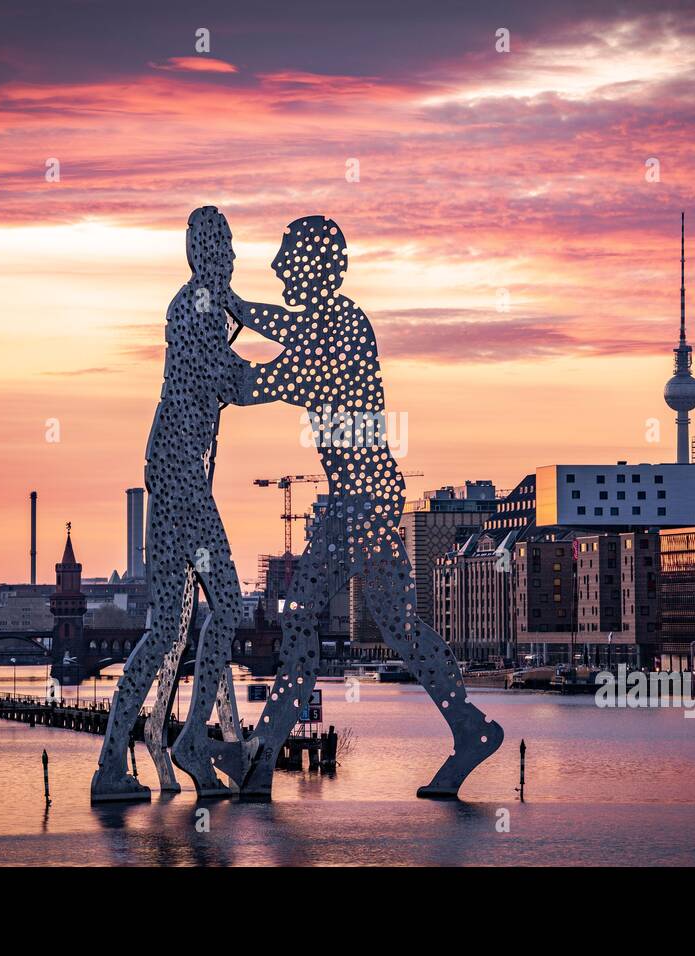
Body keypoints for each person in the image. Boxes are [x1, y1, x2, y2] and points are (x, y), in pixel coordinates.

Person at [224, 215, 503, 799]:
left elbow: (265, 380)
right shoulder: (331, 323)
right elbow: (282, 327)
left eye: (286, 257)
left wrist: (214, 358)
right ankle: (467, 728)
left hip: (361, 500)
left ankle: (260, 759)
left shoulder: (342, 326)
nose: (277, 268)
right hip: (358, 499)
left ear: (314, 265)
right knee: (394, 626)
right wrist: (233, 303)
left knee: (301, 616)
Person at [91, 206, 245, 802]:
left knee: (167, 632)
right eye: (221, 246)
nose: (230, 256)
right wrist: (300, 372)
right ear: (200, 253)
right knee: (225, 607)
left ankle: (114, 766)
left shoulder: (197, 305)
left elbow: (222, 374)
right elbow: (232, 380)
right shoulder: (199, 307)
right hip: (182, 484)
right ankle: (192, 745)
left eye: (229, 246)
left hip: (175, 478)